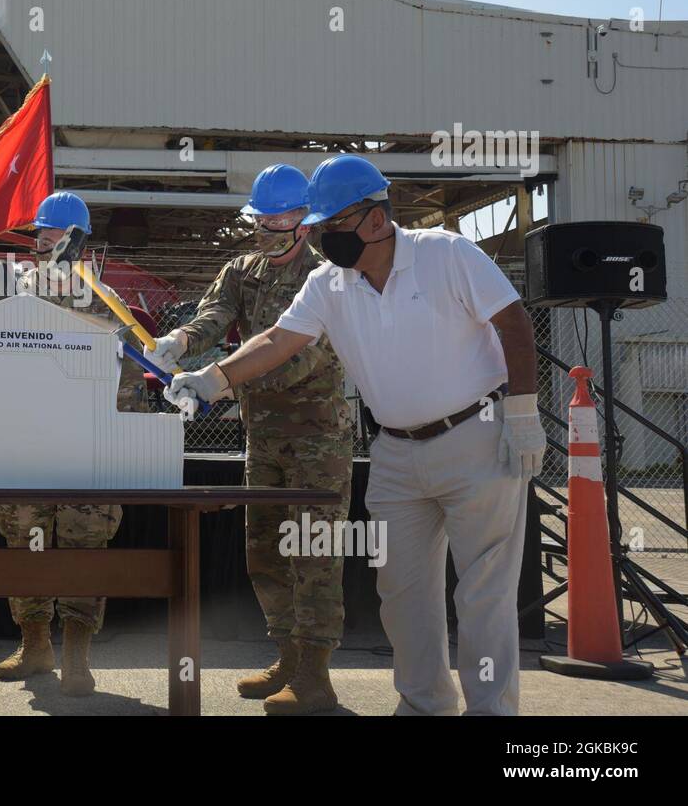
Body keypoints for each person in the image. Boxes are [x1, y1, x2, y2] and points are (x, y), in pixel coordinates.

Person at [166, 155, 546, 716]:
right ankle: (424, 706)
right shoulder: (329, 282)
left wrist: (522, 411)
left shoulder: (445, 253)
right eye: (317, 227)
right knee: (402, 594)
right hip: (394, 451)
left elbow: (512, 322)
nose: (321, 237)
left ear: (374, 219)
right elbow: (276, 340)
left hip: (477, 439)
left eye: (331, 224)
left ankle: (492, 711)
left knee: (483, 591)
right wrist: (214, 378)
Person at [151, 165, 352, 714]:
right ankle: (287, 658)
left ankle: (315, 677)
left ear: (302, 223)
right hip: (262, 436)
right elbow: (214, 316)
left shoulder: (330, 276)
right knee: (263, 550)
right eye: (258, 219)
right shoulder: (243, 270)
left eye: (275, 219)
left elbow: (297, 358)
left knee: (314, 554)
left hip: (318, 440)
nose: (263, 229)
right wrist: (181, 340)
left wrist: (216, 381)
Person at [0, 191, 147, 697]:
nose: (43, 244)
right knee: (25, 545)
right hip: (25, 448)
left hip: (87, 451)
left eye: (53, 236)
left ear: (78, 242)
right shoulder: (9, 293)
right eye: (40, 236)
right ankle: (35, 644)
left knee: (85, 547)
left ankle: (77, 655)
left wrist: (119, 446)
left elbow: (130, 382)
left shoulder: (103, 301)